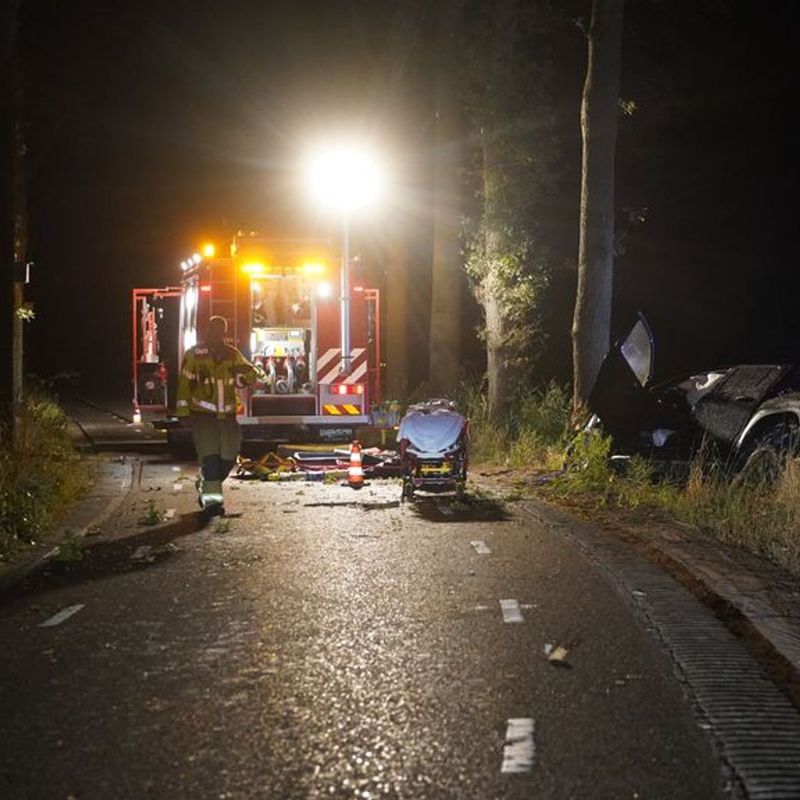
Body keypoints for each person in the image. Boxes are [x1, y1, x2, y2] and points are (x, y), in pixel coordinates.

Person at [176, 316, 257, 513]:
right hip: (203, 417)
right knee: (211, 458)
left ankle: (205, 482)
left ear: (224, 332)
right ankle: (212, 503)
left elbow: (253, 374)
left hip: (228, 418)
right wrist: (183, 413)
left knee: (230, 456)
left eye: (221, 330)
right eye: (214, 329)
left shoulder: (232, 354)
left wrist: (243, 377)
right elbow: (184, 386)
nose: (217, 334)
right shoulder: (194, 355)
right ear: (207, 331)